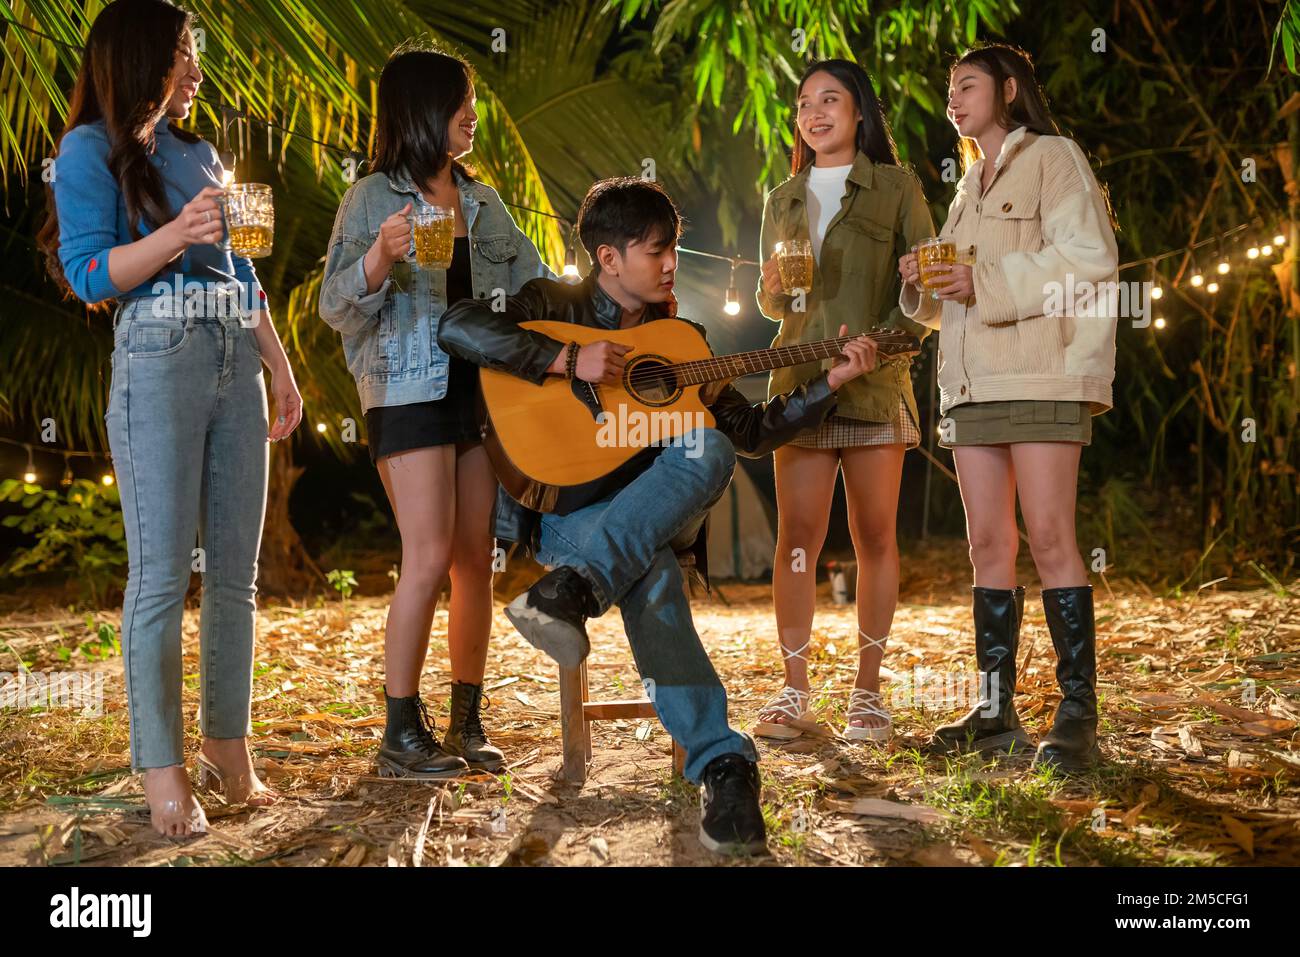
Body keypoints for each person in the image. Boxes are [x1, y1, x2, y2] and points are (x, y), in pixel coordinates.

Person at [437, 177, 879, 854]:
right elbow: (456, 325)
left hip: (659, 508)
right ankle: (725, 766)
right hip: (567, 512)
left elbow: (753, 432)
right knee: (653, 577)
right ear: (609, 259)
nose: (672, 263)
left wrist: (829, 384)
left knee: (707, 443)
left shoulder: (683, 338)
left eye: (674, 248)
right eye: (657, 250)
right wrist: (565, 358)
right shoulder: (551, 303)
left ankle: (573, 590)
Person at [41, 0, 303, 836]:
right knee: (161, 577)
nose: (195, 71)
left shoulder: (201, 152)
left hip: (235, 351)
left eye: (194, 56)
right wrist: (176, 233)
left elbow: (242, 270)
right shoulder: (86, 151)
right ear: (143, 59)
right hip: (159, 355)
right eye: (184, 55)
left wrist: (281, 362)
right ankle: (164, 770)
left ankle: (230, 750)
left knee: (235, 576)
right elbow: (89, 274)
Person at [320, 47, 555, 778]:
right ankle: (399, 729)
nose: (473, 112)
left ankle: (467, 719)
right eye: (462, 99)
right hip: (406, 392)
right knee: (424, 556)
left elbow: (539, 285)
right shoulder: (370, 199)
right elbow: (334, 306)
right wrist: (377, 261)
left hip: (479, 395)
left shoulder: (483, 202)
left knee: (473, 564)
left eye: (473, 98)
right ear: (423, 109)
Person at [897, 44, 1118, 771]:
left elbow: (1087, 260)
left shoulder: (1055, 158)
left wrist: (980, 276)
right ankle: (996, 709)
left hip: (1042, 375)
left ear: (1009, 89)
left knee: (1050, 535)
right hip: (971, 385)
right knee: (988, 545)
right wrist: (924, 280)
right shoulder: (967, 188)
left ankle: (1076, 712)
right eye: (949, 88)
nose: (954, 99)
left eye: (967, 85)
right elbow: (953, 302)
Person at [755, 59, 935, 742]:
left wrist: (886, 344)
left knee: (874, 537)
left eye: (831, 99)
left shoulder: (896, 189)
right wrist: (773, 286)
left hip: (874, 382)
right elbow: (781, 304)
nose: (815, 112)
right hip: (800, 385)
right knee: (796, 540)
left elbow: (929, 287)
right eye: (805, 103)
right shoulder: (783, 196)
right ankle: (793, 689)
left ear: (860, 111)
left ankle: (868, 694)